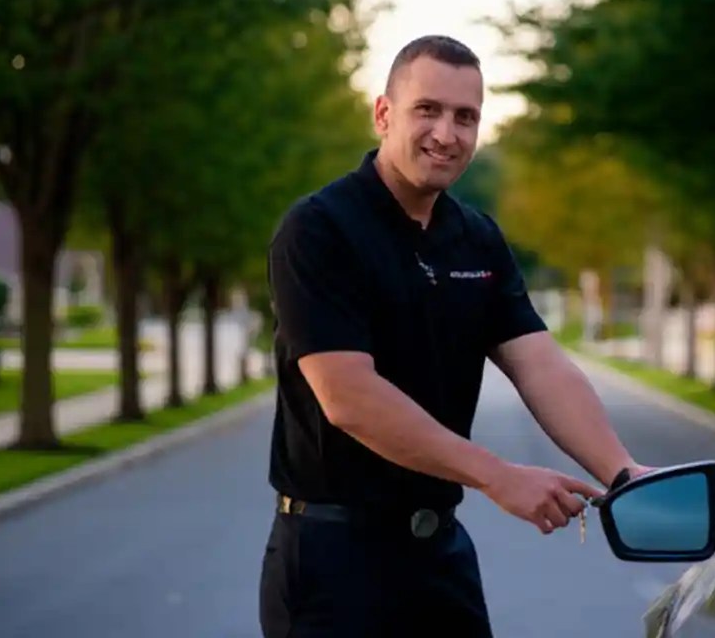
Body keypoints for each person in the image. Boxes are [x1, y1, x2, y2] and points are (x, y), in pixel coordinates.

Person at [259, 34, 652, 637]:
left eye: (465, 117)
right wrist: (498, 475)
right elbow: (349, 398)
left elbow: (541, 366)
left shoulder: (477, 239)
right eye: (428, 110)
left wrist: (623, 473)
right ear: (384, 113)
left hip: (439, 556)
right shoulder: (319, 229)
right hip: (333, 563)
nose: (447, 133)